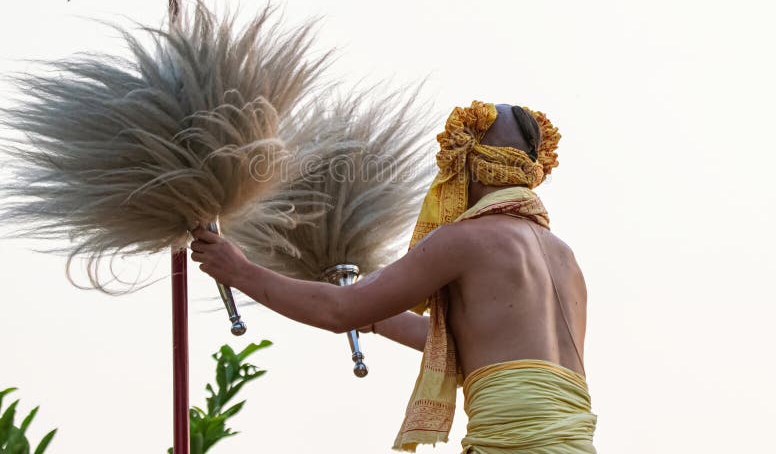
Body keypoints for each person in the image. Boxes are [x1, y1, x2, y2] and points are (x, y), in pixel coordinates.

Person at [190, 101, 597, 453]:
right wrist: (379, 317)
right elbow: (479, 347)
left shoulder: (463, 240)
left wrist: (239, 270)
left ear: (466, 168)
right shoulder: (564, 257)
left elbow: (338, 312)